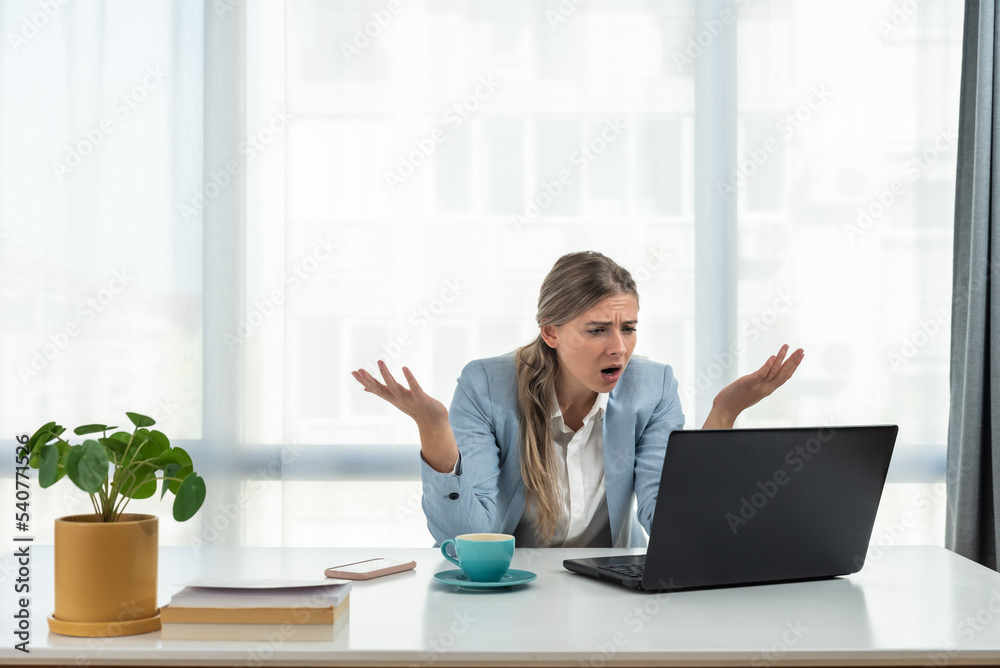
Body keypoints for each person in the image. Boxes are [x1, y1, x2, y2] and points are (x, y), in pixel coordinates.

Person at [351, 251, 803, 548]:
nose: (618, 348)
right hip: (510, 590)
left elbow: (674, 526)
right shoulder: (486, 385)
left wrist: (724, 414)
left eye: (628, 328)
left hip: (611, 592)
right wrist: (434, 429)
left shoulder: (653, 388)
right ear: (551, 332)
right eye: (597, 330)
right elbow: (464, 538)